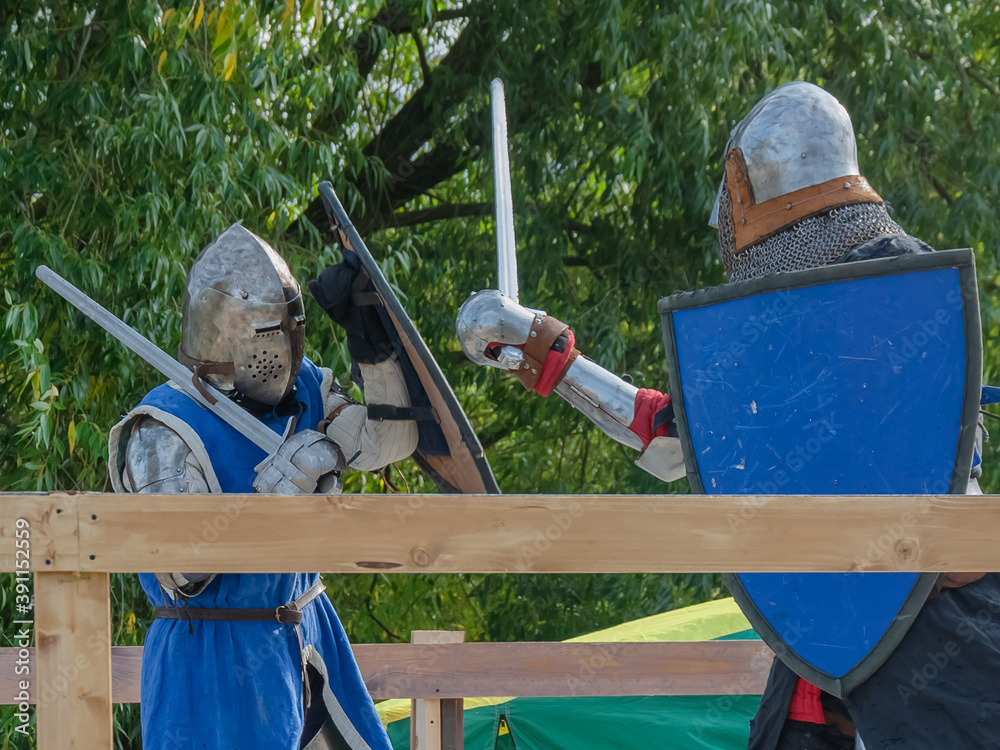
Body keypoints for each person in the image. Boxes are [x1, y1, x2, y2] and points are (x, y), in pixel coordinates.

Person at [456, 81, 1000, 749]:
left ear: (754, 196)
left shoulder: (898, 297)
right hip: (827, 662)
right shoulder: (825, 314)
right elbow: (682, 441)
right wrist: (554, 362)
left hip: (932, 644)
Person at [108, 224, 418, 750]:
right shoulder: (164, 426)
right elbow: (182, 565)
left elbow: (394, 439)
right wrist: (269, 501)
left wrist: (375, 352)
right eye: (271, 330)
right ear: (228, 332)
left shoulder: (308, 391)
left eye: (292, 327)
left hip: (307, 631)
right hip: (209, 654)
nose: (289, 345)